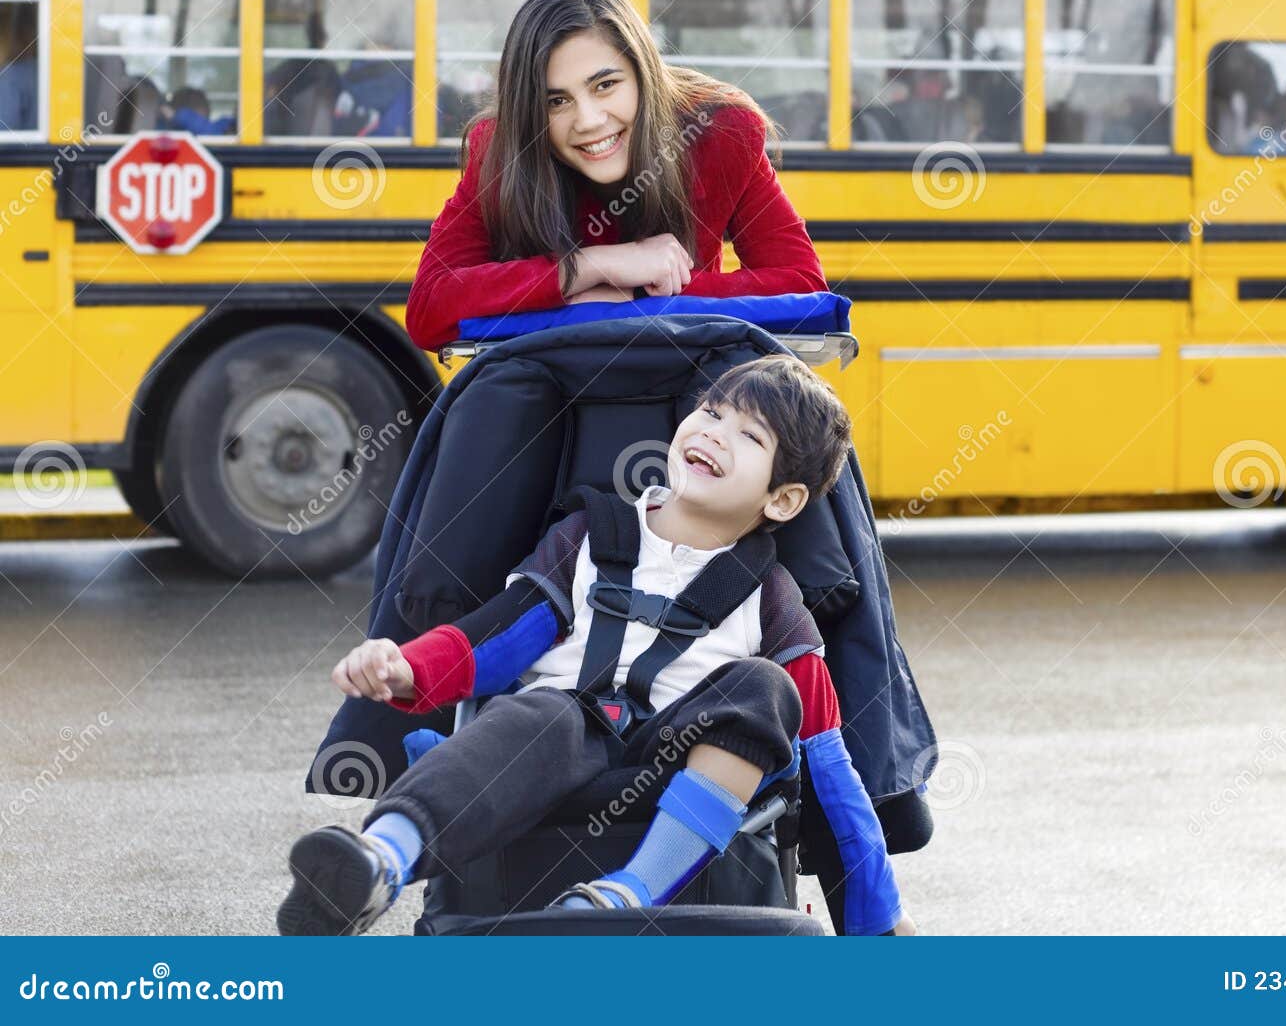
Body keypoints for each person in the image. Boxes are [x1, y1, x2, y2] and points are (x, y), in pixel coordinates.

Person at [277, 355, 914, 936]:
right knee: (541, 709)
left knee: (766, 689)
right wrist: (405, 666)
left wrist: (880, 927)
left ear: (783, 499)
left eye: (750, 436)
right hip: (556, 746)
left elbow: (831, 773)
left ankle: (625, 893)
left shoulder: (772, 601)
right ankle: (378, 861)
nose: (715, 432)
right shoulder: (588, 537)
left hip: (683, 769)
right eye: (712, 412)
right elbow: (491, 639)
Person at [404, 0, 826, 352]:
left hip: (686, 394)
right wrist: (588, 268)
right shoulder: (501, 149)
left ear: (643, 74)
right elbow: (429, 310)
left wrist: (647, 295)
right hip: (549, 397)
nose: (588, 121)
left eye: (605, 85)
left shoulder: (718, 131)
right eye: (556, 101)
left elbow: (803, 289)